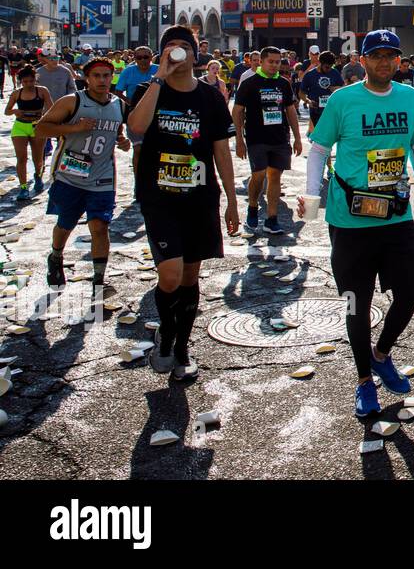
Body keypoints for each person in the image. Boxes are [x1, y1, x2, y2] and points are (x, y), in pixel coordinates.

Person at [299, 28, 414, 418]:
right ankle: (363, 381)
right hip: (350, 221)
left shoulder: (410, 97)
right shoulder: (343, 100)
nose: (384, 62)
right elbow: (318, 150)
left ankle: (381, 354)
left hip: (395, 217)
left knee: (409, 293)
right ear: (362, 60)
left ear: (399, 60)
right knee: (355, 306)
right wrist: (311, 197)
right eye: (376, 55)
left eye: (391, 55)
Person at [127, 26, 239, 381]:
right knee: (171, 273)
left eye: (182, 47)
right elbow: (136, 128)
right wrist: (158, 79)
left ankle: (180, 345)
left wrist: (232, 200)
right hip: (159, 197)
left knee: (191, 274)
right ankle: (166, 333)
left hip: (200, 198)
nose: (175, 52)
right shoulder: (149, 89)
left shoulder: (211, 97)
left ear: (195, 55)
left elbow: (222, 150)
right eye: (169, 47)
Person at [37, 57, 129, 293]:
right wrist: (74, 128)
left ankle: (98, 281)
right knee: (65, 223)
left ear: (112, 77)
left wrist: (123, 142)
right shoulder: (72, 101)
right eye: (96, 76)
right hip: (69, 175)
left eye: (106, 76)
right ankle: (56, 256)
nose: (102, 80)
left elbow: (118, 134)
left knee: (99, 226)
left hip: (103, 177)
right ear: (86, 78)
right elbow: (42, 128)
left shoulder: (119, 105)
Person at [232, 46, 302, 236]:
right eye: (270, 62)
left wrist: (297, 138)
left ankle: (272, 219)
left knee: (275, 177)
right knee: (259, 175)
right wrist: (239, 139)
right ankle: (253, 206)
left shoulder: (284, 83)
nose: (274, 65)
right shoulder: (249, 83)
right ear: (261, 62)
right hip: (256, 138)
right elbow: (237, 111)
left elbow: (291, 111)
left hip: (279, 138)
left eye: (277, 62)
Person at [6, 66, 52, 199]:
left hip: (37, 127)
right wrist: (15, 111)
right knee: (21, 158)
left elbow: (51, 108)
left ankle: (38, 176)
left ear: (35, 80)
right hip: (20, 126)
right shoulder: (17, 93)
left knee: (37, 158)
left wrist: (43, 116)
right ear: (21, 81)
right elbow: (6, 111)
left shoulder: (42, 91)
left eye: (31, 81)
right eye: (25, 82)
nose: (28, 84)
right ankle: (23, 187)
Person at [301, 50, 344, 135]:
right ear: (320, 62)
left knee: (328, 136)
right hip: (316, 110)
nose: (329, 70)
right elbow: (301, 93)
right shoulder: (310, 75)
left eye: (331, 66)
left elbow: (343, 87)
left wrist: (337, 88)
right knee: (321, 136)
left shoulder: (334, 72)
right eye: (327, 67)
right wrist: (308, 101)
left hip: (331, 110)